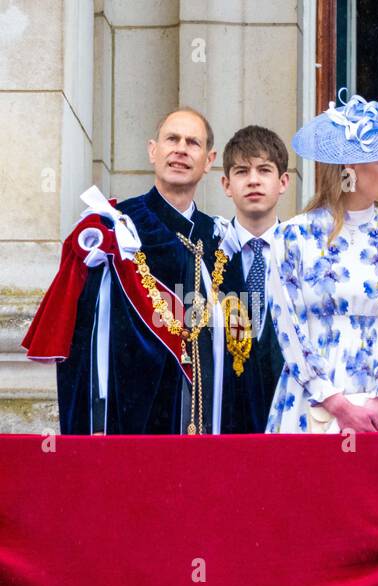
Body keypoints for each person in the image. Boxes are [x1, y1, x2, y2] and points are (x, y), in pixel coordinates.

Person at [24, 108, 230, 434]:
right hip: (129, 418)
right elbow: (84, 335)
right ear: (153, 150)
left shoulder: (219, 239)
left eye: (193, 143)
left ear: (208, 160)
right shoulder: (114, 226)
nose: (180, 149)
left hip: (200, 419)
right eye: (172, 139)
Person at [263, 93, 378, 433]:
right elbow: (288, 328)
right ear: (351, 167)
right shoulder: (291, 238)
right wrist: (334, 400)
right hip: (308, 406)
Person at [215, 124, 291, 433]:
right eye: (242, 171)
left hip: (290, 421)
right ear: (226, 184)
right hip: (226, 422)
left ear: (283, 181)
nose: (254, 180)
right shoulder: (206, 255)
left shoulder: (304, 254)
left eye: (264, 170)